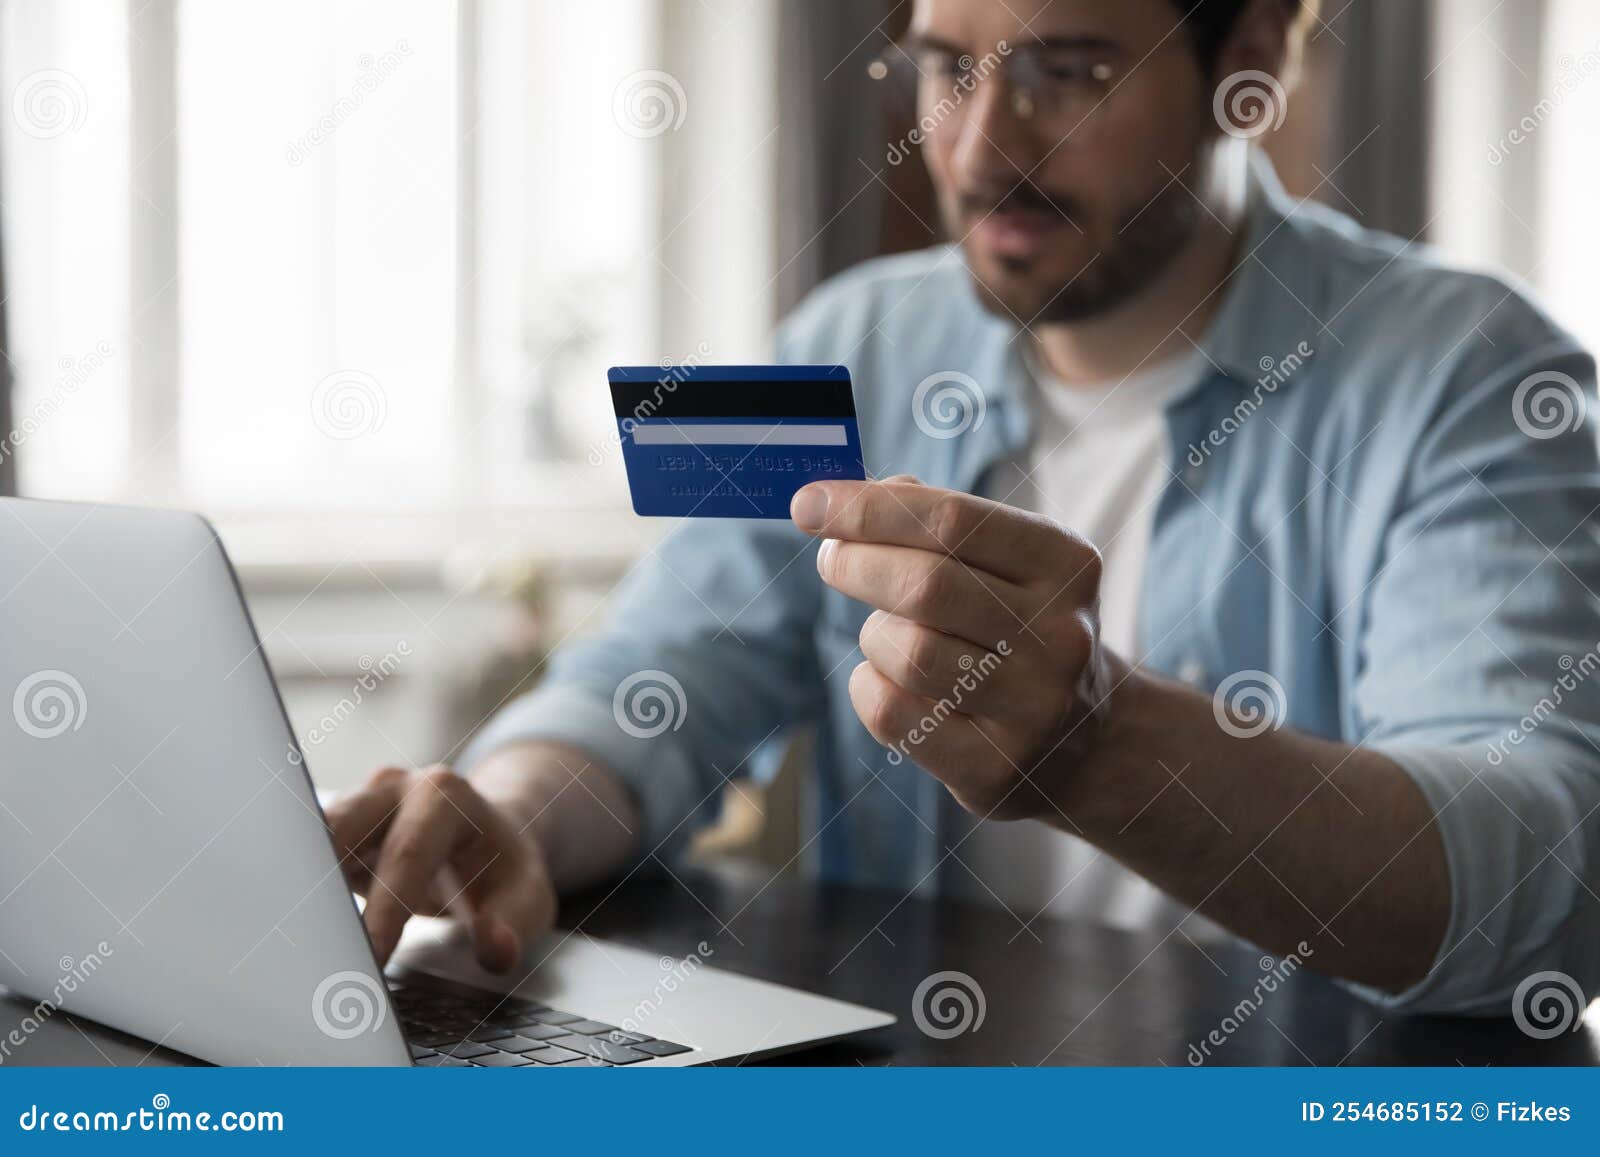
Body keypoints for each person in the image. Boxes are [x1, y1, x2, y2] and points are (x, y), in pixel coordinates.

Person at [326, 0, 1600, 1014]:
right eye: (945, 67)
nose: (984, 150)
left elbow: (1542, 880)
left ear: (1250, 56)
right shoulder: (843, 340)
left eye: (1069, 70)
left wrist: (1103, 744)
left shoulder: (1476, 375)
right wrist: (507, 813)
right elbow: (650, 679)